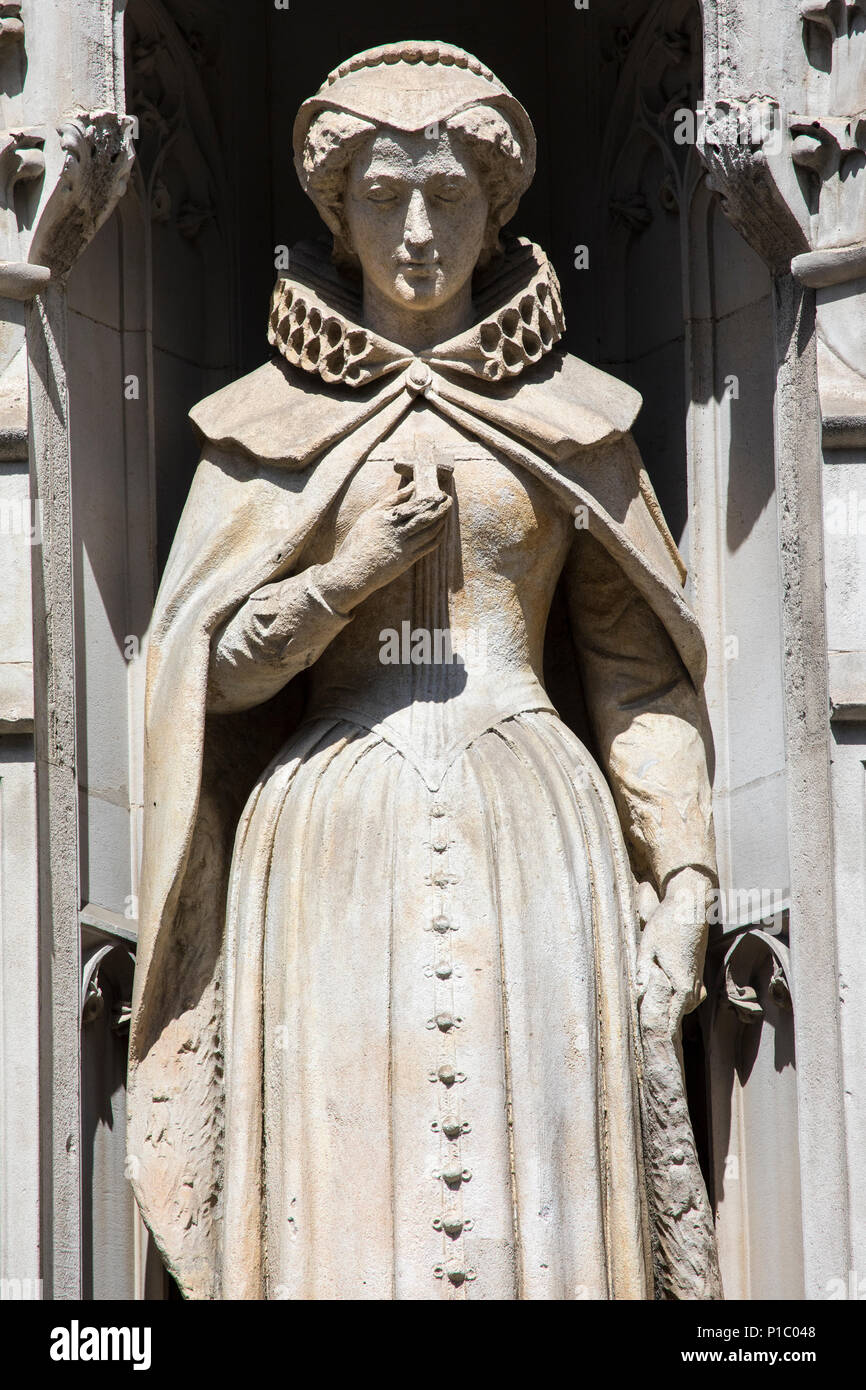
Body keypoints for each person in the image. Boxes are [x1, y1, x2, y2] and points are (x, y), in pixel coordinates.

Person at [128, 39, 720, 1301]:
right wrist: (342, 576)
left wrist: (680, 877)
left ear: (495, 211)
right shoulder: (259, 427)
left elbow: (640, 678)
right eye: (381, 198)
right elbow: (204, 679)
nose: (414, 231)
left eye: (446, 195)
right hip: (328, 844)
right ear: (333, 217)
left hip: (535, 839)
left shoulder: (580, 418)